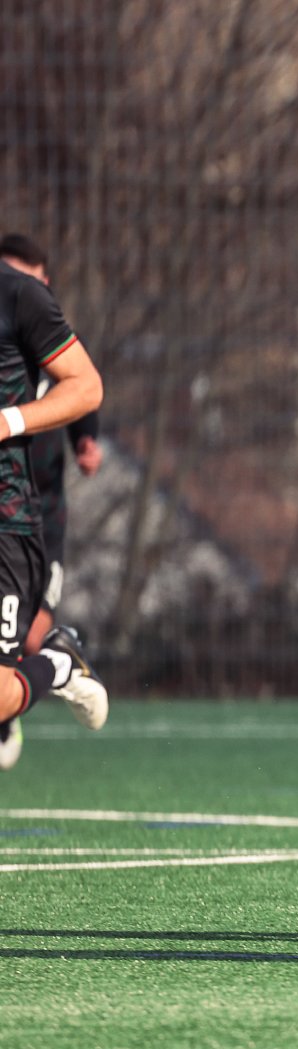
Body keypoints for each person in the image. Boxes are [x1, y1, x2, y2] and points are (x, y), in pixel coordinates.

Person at [0, 234, 109, 772]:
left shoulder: (24, 302)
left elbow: (86, 389)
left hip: (13, 518)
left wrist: (7, 422)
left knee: (24, 648)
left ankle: (55, 664)